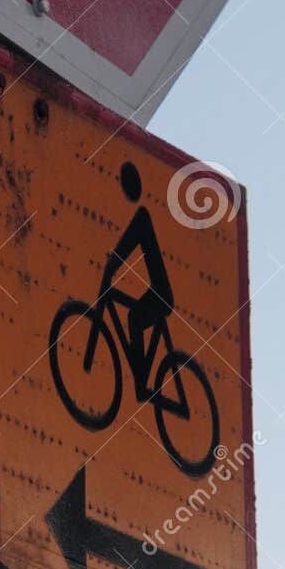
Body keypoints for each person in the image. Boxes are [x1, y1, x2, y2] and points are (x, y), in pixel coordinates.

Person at [97, 162, 176, 397]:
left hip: (161, 294)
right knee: (134, 314)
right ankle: (143, 382)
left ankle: (141, 386)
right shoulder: (137, 216)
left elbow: (128, 243)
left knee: (134, 318)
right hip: (156, 291)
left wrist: (112, 266)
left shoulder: (141, 217)